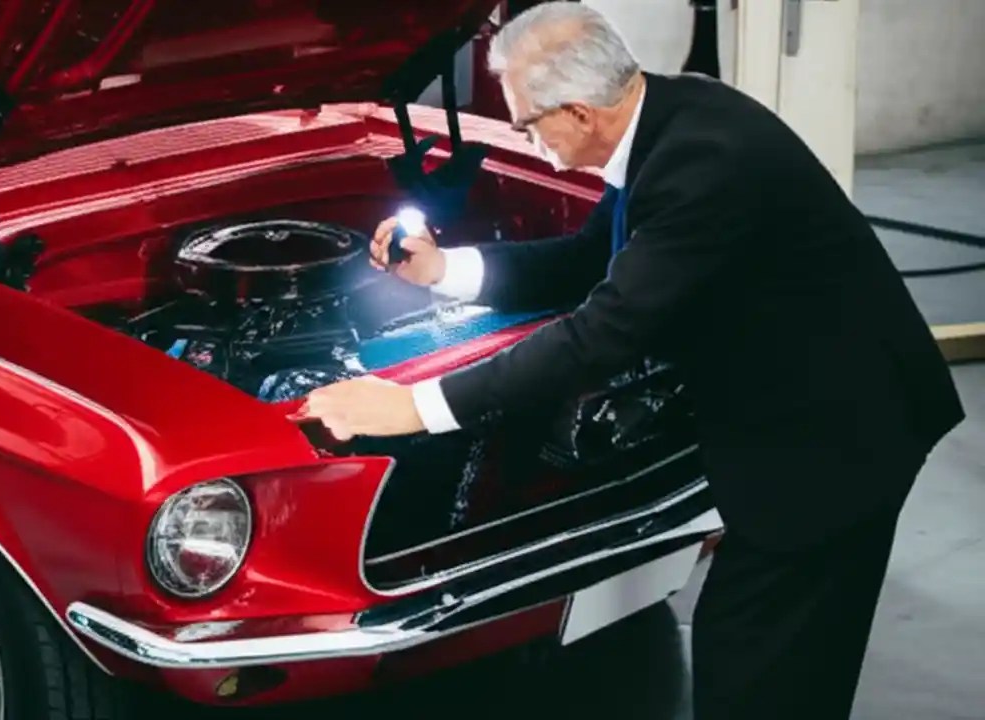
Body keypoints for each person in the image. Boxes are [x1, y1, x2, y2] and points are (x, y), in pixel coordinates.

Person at [300, 3, 965, 718]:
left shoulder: (701, 166)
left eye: (529, 123)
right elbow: (589, 262)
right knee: (777, 654)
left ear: (581, 114)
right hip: (807, 408)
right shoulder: (667, 117)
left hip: (836, 438)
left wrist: (411, 406)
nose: (528, 136)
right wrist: (443, 272)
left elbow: (601, 336)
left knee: (760, 668)